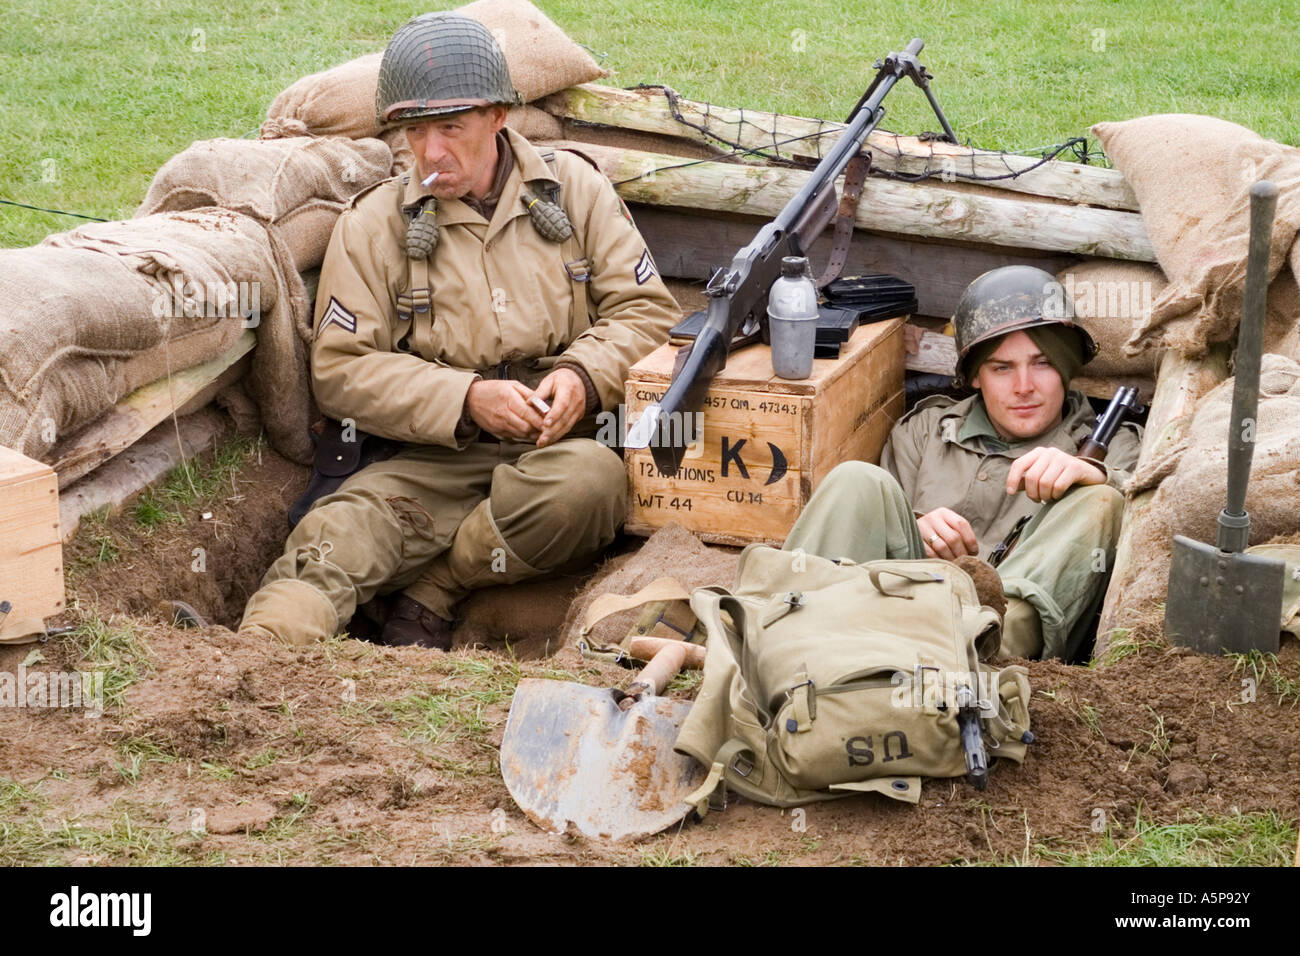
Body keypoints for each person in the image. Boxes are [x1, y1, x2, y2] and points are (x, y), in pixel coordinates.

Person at [239, 13, 679, 649]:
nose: (431, 152)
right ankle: (250, 661)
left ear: (499, 117)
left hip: (557, 449)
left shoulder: (574, 190)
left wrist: (582, 377)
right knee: (339, 536)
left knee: (590, 485)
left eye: (452, 127)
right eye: (416, 131)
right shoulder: (374, 225)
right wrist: (466, 399)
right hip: (432, 459)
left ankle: (435, 588)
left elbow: (648, 313)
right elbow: (340, 369)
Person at [784, 265, 1143, 661]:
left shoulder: (1113, 445)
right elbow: (879, 525)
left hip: (986, 651)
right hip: (896, 613)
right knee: (856, 479)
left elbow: (1149, 519)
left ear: (1065, 369)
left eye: (1042, 363)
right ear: (975, 378)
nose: (1024, 386)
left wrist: (1094, 474)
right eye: (1001, 368)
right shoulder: (926, 430)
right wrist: (917, 527)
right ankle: (776, 623)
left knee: (1102, 501)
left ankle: (977, 654)